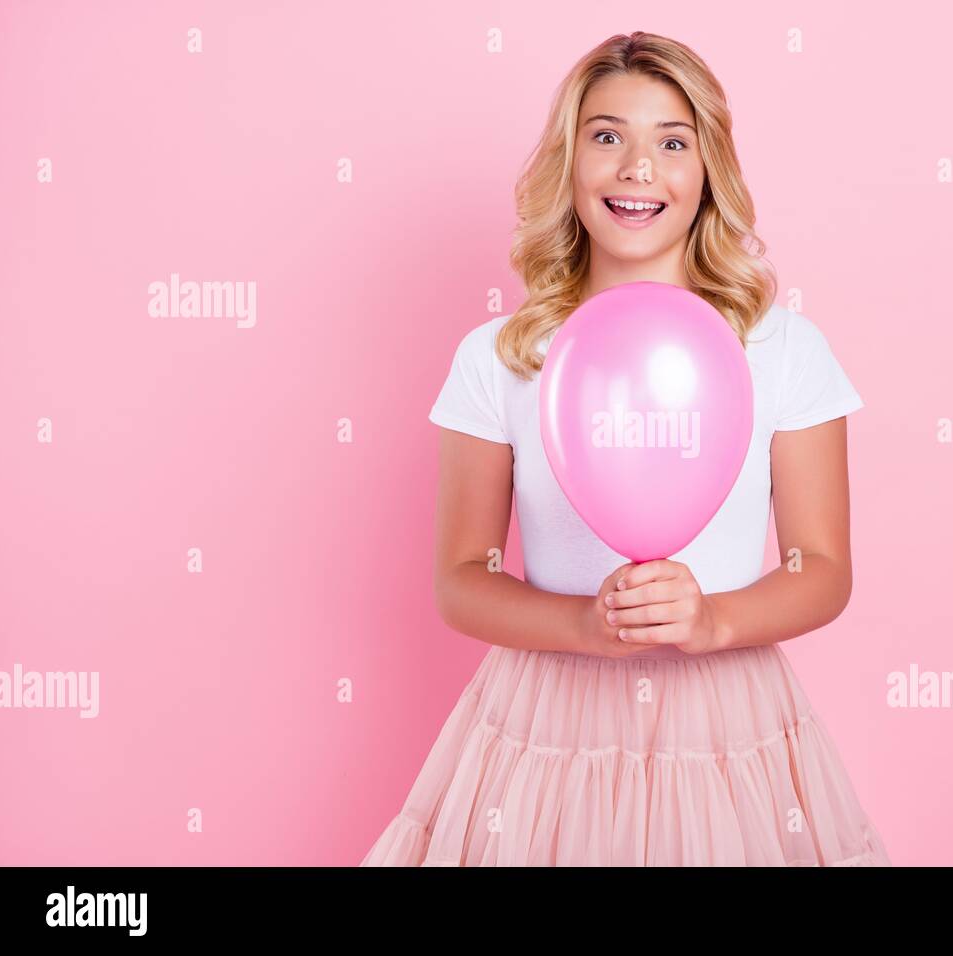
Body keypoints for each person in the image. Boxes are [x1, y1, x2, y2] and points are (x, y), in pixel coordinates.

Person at [361, 31, 892, 866]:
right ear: (569, 163)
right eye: (607, 136)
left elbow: (821, 568)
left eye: (672, 142)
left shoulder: (783, 349)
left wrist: (714, 618)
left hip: (728, 717)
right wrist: (585, 621)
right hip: (544, 720)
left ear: (707, 168)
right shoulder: (499, 356)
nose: (637, 168)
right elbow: (461, 581)